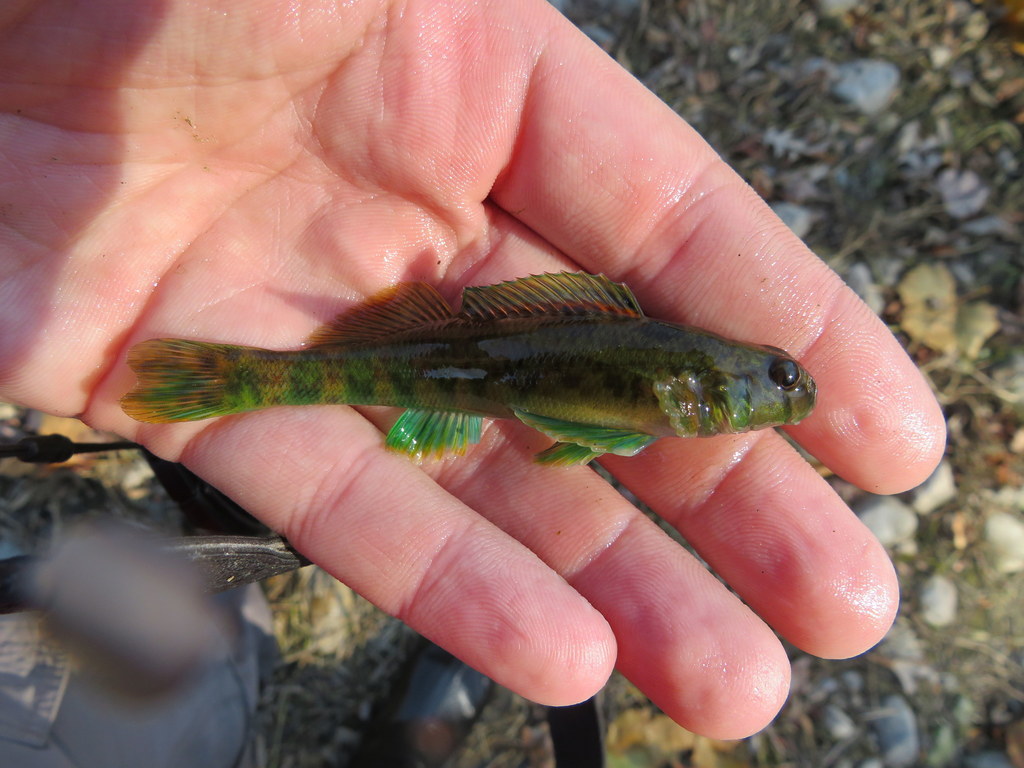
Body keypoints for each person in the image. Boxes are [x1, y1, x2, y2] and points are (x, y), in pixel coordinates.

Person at [0, 0, 945, 742]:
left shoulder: (683, 381)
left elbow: (584, 430)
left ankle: (249, 385)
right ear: (715, 383)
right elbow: (582, 435)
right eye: (776, 379)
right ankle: (249, 380)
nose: (781, 390)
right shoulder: (684, 386)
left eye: (779, 382)